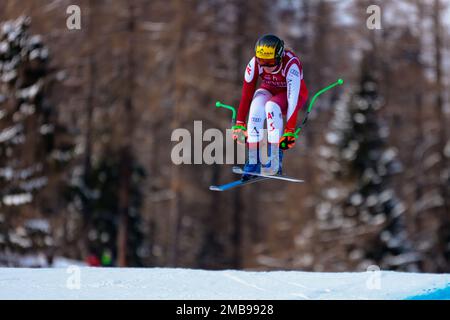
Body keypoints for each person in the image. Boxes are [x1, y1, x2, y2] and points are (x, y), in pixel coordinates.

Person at [232, 34, 308, 179]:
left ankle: (274, 161)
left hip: (292, 95)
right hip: (269, 89)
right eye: (262, 62)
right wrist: (240, 124)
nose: (266, 67)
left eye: (271, 62)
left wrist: (289, 131)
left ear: (279, 57)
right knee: (256, 106)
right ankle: (253, 161)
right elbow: (246, 96)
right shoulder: (253, 64)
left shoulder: (291, 64)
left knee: (271, 106)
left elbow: (292, 99)